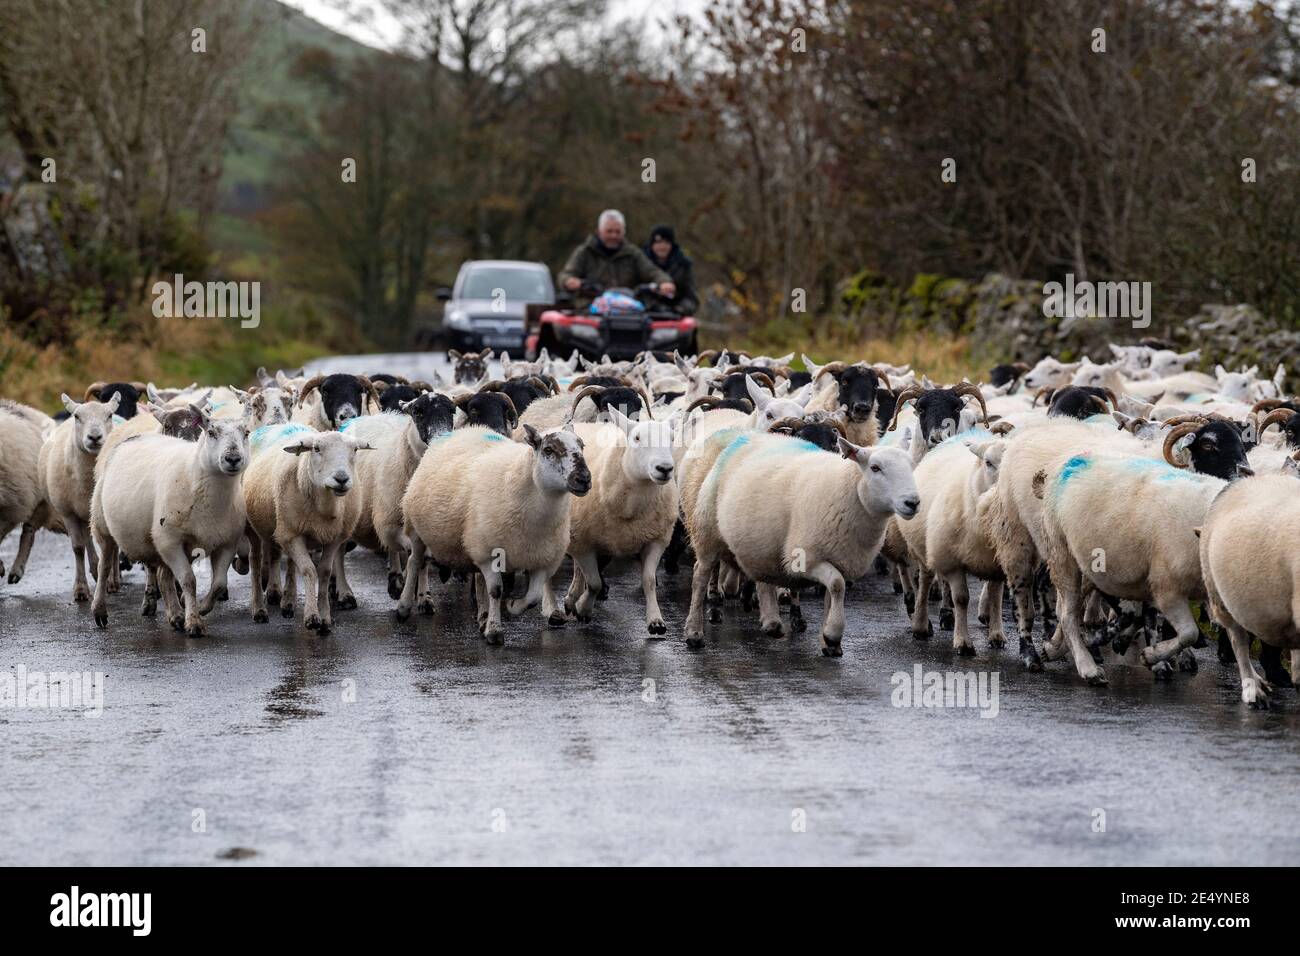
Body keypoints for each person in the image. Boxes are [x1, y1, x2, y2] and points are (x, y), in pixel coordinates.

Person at [558, 210, 676, 302]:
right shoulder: (584, 252)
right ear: (599, 231)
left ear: (623, 232)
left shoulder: (633, 253)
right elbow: (566, 274)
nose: (613, 236)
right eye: (609, 231)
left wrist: (664, 282)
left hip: (629, 308)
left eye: (617, 232)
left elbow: (652, 272)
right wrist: (569, 281)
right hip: (590, 309)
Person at [642, 223, 698, 315]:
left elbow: (692, 298)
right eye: (658, 243)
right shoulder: (642, 262)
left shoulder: (683, 265)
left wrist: (680, 309)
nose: (662, 247)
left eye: (666, 242)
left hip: (675, 315)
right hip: (646, 313)